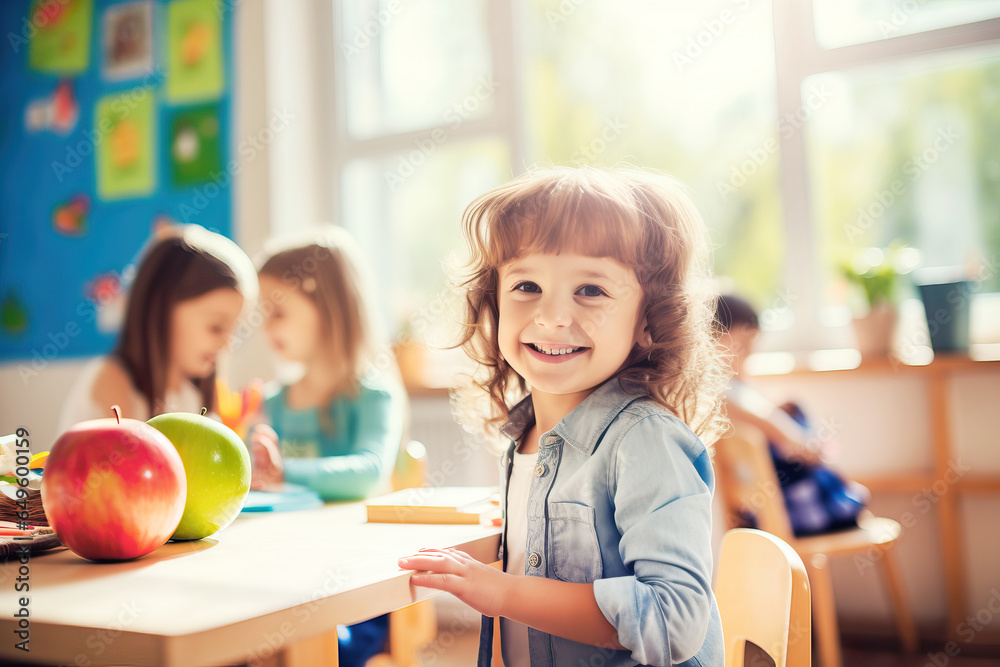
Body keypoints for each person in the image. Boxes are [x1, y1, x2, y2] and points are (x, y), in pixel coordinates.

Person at [398, 166, 728, 667]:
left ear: (648, 321)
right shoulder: (526, 433)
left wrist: (502, 591)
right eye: (526, 285)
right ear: (493, 302)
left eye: (591, 290)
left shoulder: (645, 440)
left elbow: (672, 619)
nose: (551, 317)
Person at [247, 227, 405, 667]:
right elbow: (252, 478)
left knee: (314, 647)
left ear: (327, 307)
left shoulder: (374, 395)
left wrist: (283, 473)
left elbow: (370, 471)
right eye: (263, 312)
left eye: (278, 311)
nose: (266, 326)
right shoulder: (272, 402)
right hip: (283, 573)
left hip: (357, 587)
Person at [59, 224, 256, 432]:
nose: (228, 344)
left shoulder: (192, 397)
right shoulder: (113, 379)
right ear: (161, 309)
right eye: (216, 327)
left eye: (235, 330)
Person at [715, 293, 869, 536]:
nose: (748, 355)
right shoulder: (726, 392)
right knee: (795, 414)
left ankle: (841, 489)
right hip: (789, 515)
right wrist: (819, 452)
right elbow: (796, 443)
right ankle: (841, 493)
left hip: (760, 512)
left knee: (788, 408)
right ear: (709, 342)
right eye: (743, 346)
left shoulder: (721, 392)